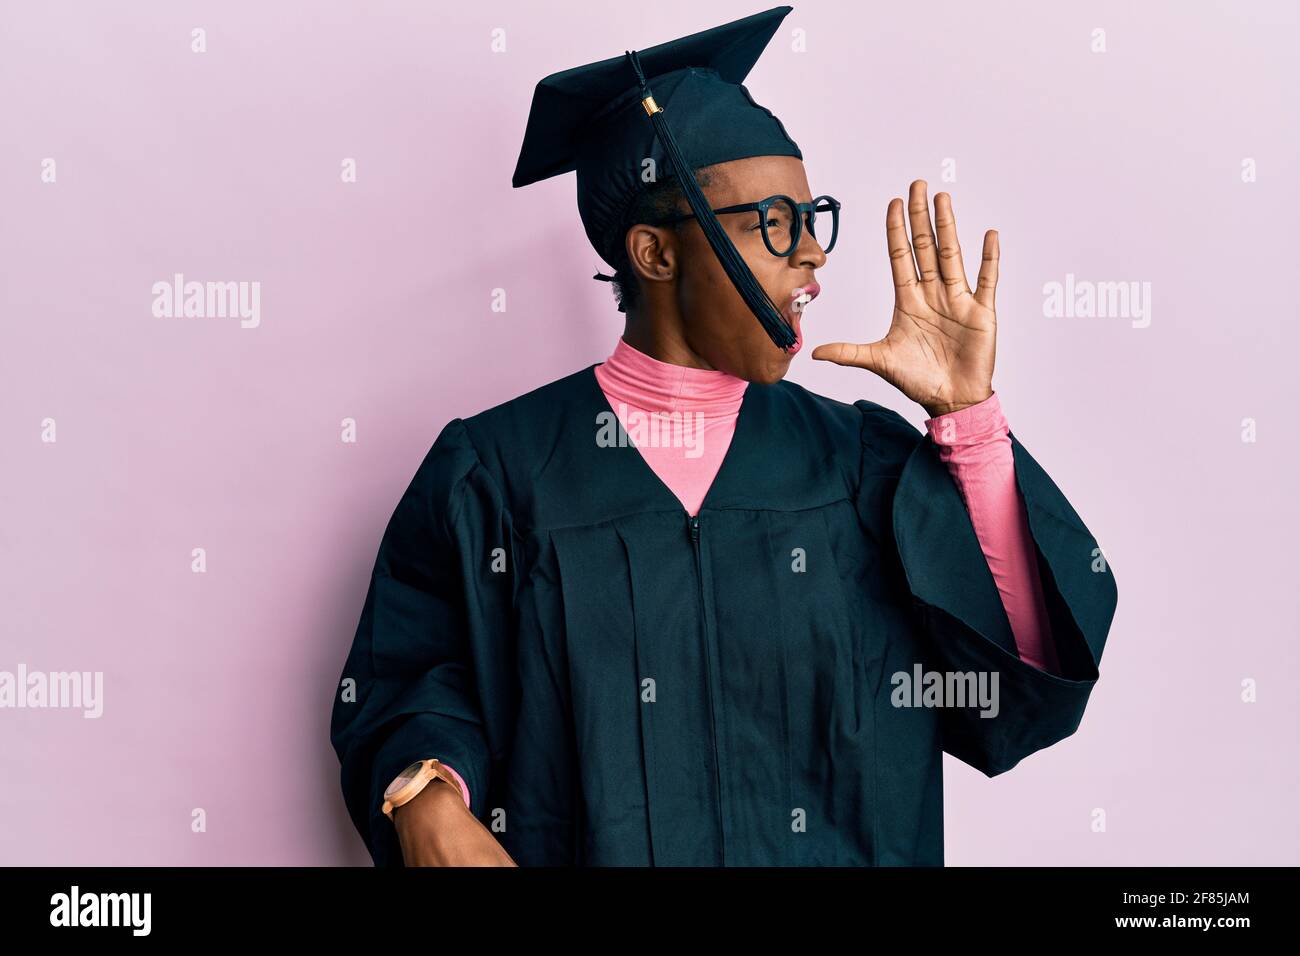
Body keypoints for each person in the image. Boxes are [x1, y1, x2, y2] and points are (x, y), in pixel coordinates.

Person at [329, 5, 1117, 867]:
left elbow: (1016, 691)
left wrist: (969, 424)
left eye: (813, 217)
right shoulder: (497, 472)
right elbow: (412, 679)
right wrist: (426, 796)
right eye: (776, 222)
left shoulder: (859, 465)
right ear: (657, 256)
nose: (813, 253)